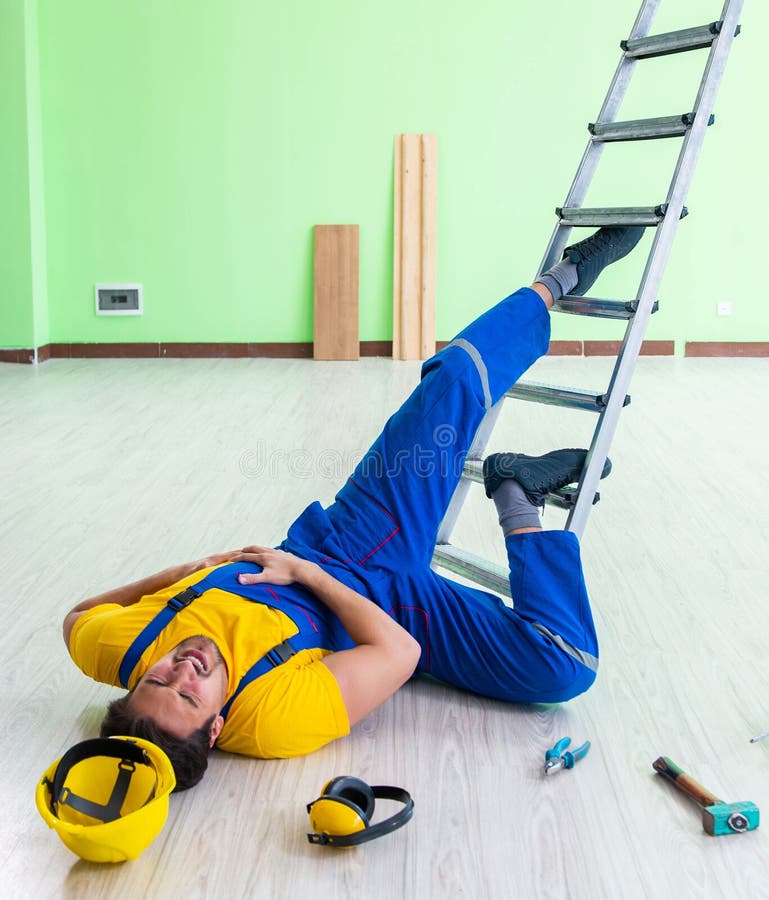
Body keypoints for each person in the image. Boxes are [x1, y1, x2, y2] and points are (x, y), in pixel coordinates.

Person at [63, 225, 644, 789]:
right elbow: (399, 651)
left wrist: (188, 571)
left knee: (452, 380)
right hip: (392, 612)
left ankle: (560, 282)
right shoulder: (269, 720)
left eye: (155, 679)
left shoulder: (119, 651)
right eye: (188, 694)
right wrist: (304, 574)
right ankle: (517, 492)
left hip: (354, 539)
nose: (181, 668)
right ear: (217, 727)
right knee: (566, 666)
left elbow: (77, 619)